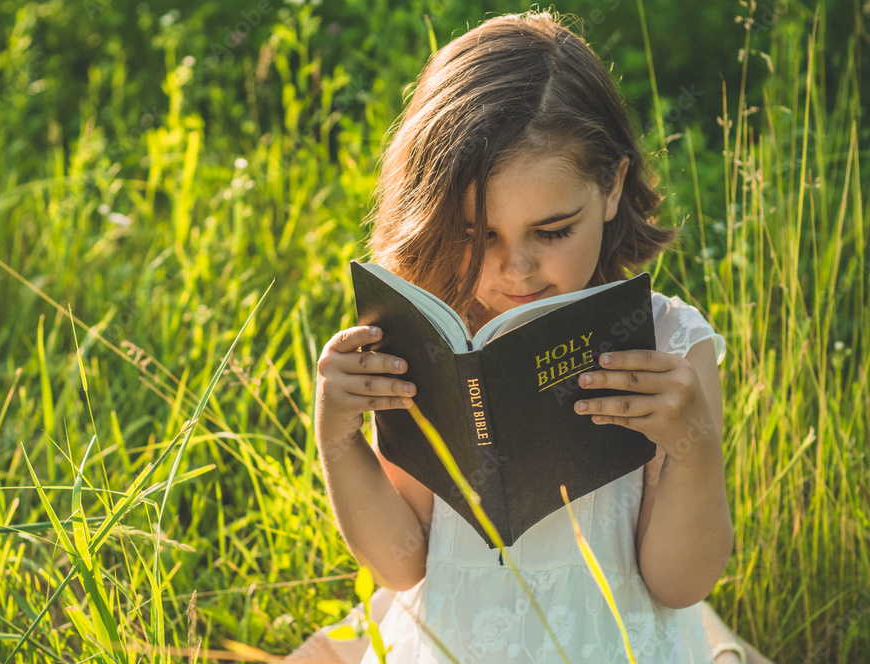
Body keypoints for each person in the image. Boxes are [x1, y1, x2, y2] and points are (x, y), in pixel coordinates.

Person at [311, 10, 767, 663]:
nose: (516, 270)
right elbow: (403, 566)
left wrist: (692, 451)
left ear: (612, 185)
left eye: (551, 231)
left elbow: (680, 583)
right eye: (477, 236)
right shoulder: (429, 344)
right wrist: (339, 438)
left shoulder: (669, 344)